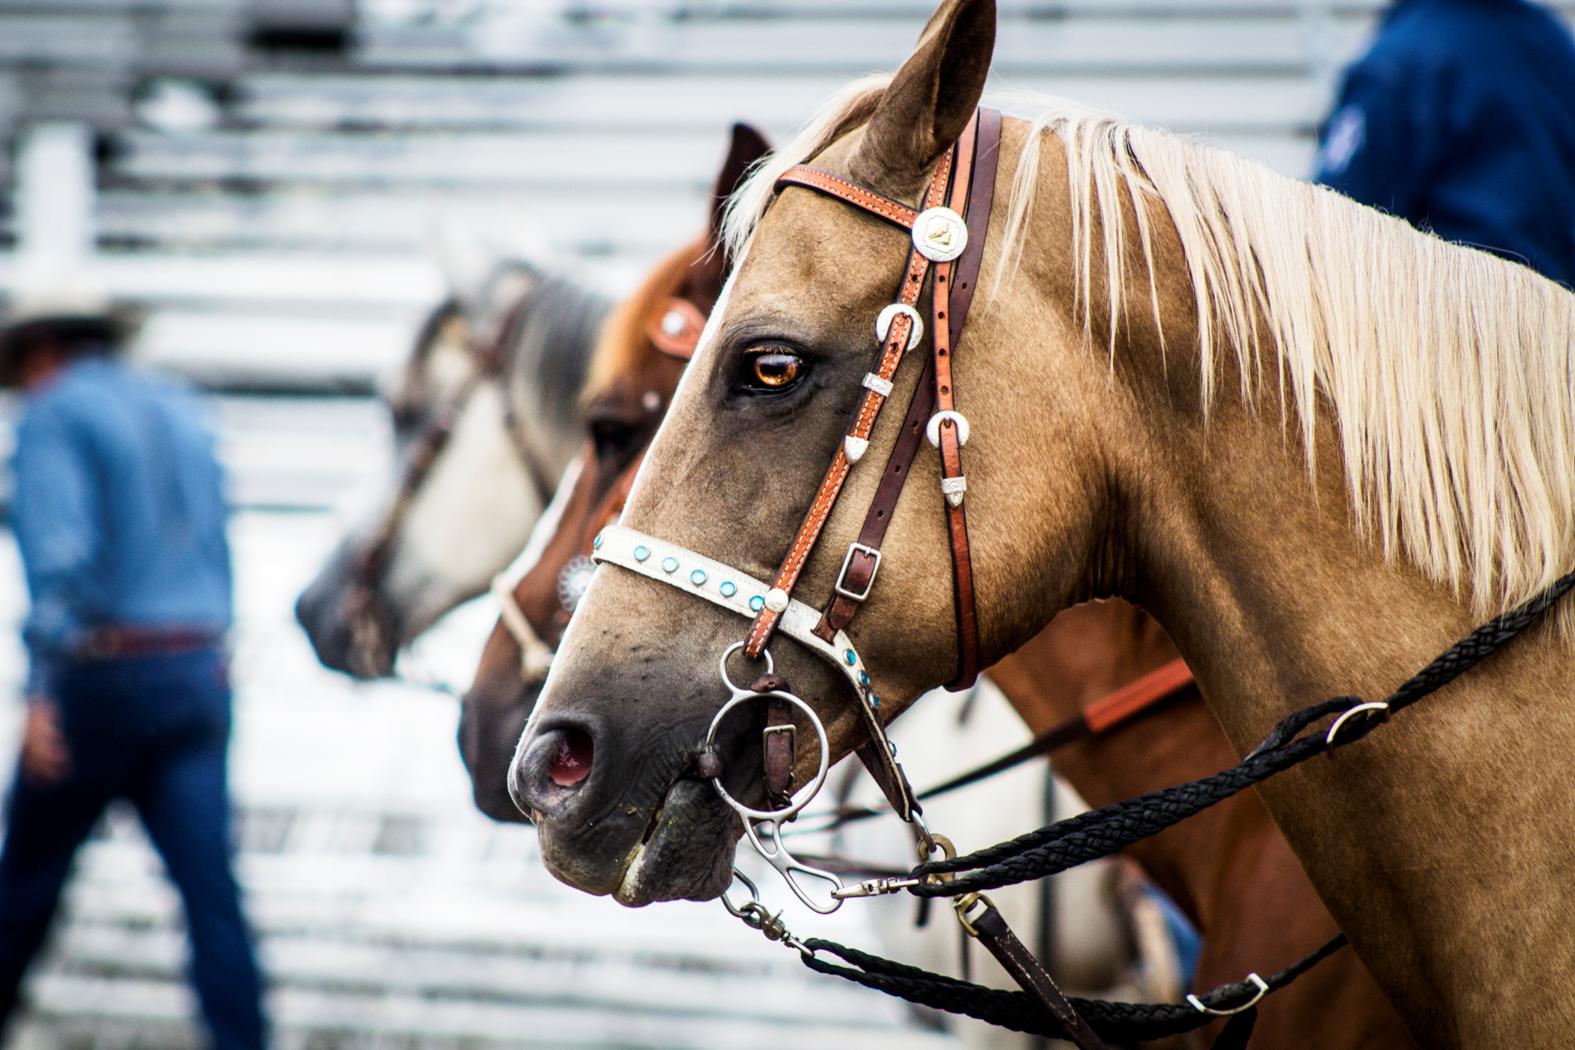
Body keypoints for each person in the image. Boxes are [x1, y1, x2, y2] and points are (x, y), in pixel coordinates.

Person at [0, 290, 267, 1050]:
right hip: (196, 673)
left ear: (41, 349)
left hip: (103, 681)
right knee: (211, 898)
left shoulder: (53, 413)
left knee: (23, 889)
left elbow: (63, 563)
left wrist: (43, 692)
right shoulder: (181, 407)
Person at [1313, 0, 1575, 287]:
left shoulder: (1405, 58)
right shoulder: (1558, 48)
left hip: (1457, 310)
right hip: (1558, 311)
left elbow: (1329, 233)